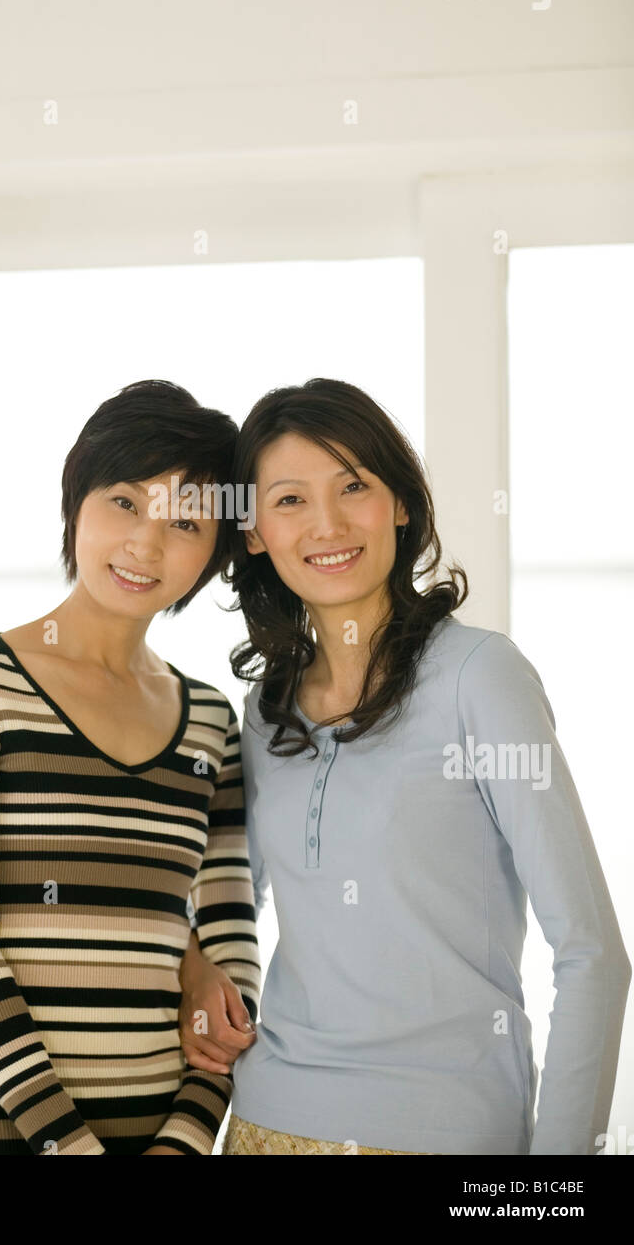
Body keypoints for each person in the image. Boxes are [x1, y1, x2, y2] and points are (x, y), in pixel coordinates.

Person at [179, 377, 631, 1156]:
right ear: (252, 532)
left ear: (399, 502)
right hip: (262, 1126)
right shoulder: (264, 710)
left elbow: (593, 953)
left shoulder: (479, 676)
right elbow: (224, 905)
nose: (328, 523)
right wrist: (192, 964)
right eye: (289, 500)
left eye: (354, 485)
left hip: (445, 1135)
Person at [0, 379, 261, 1155]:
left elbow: (234, 960)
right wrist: (72, 1149)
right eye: (126, 502)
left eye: (185, 523)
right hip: (2, 1135)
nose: (145, 544)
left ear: (215, 551)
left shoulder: (212, 722)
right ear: (77, 501)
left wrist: (184, 1141)